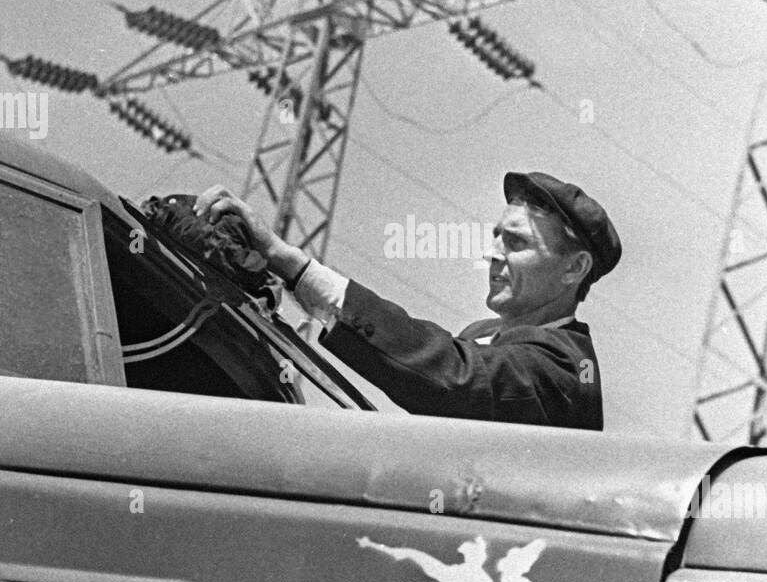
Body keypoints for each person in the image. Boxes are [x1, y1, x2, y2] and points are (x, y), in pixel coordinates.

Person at [193, 170, 621, 429]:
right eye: (495, 237)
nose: (491, 254)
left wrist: (291, 263)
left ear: (574, 268)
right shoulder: (484, 336)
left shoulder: (565, 368)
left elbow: (451, 376)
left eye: (515, 242)